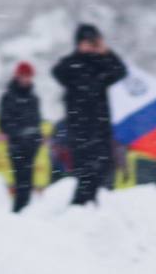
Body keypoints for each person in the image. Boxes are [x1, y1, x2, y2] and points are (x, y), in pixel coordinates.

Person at [52, 24, 127, 205]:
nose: (91, 45)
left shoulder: (100, 64)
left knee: (103, 171)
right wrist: (80, 52)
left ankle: (90, 211)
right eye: (88, 41)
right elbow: (57, 72)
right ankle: (79, 210)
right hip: (79, 129)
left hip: (100, 128)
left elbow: (120, 71)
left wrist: (105, 51)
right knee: (85, 174)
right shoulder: (71, 65)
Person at [0, 61, 42, 213]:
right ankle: (18, 213)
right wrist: (19, 134)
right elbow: (3, 123)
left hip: (31, 147)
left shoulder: (34, 99)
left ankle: (25, 213)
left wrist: (35, 139)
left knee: (28, 183)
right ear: (17, 76)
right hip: (16, 147)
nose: (25, 79)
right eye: (23, 76)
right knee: (21, 183)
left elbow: (37, 122)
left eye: (28, 76)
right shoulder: (8, 97)